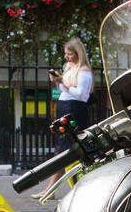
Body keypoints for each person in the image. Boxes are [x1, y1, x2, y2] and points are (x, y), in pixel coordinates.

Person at [40, 38, 94, 200]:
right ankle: (51, 189)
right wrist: (58, 82)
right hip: (64, 106)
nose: (67, 57)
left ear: (78, 54)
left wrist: (63, 81)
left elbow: (81, 95)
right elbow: (65, 90)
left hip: (75, 110)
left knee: (68, 150)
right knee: (62, 149)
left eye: (70, 54)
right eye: (66, 54)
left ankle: (51, 190)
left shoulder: (83, 71)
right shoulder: (70, 68)